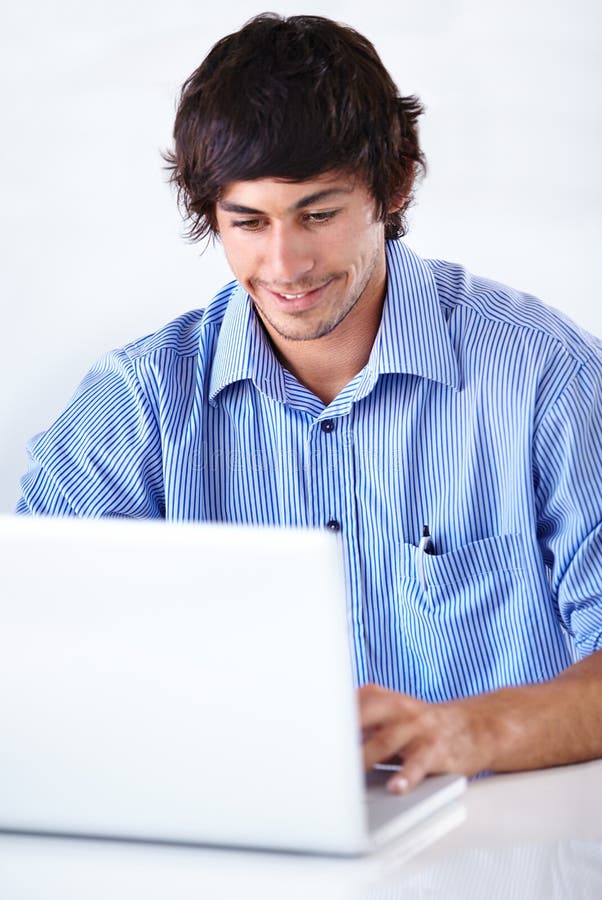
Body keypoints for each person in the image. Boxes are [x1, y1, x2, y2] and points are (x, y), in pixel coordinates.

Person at [16, 13, 602, 793]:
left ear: (394, 187)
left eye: (318, 214)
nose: (285, 264)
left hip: (502, 843)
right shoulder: (138, 403)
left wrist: (467, 730)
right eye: (248, 222)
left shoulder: (544, 373)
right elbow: (31, 656)